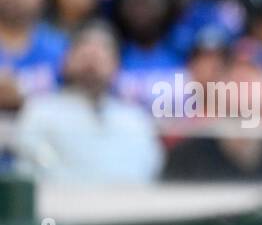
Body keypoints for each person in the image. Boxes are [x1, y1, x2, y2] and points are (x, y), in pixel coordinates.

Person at [13, 20, 161, 183]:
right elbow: (30, 169)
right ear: (65, 62)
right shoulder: (40, 110)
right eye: (84, 50)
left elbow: (149, 171)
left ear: (116, 65)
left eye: (102, 52)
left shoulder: (135, 119)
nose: (92, 59)